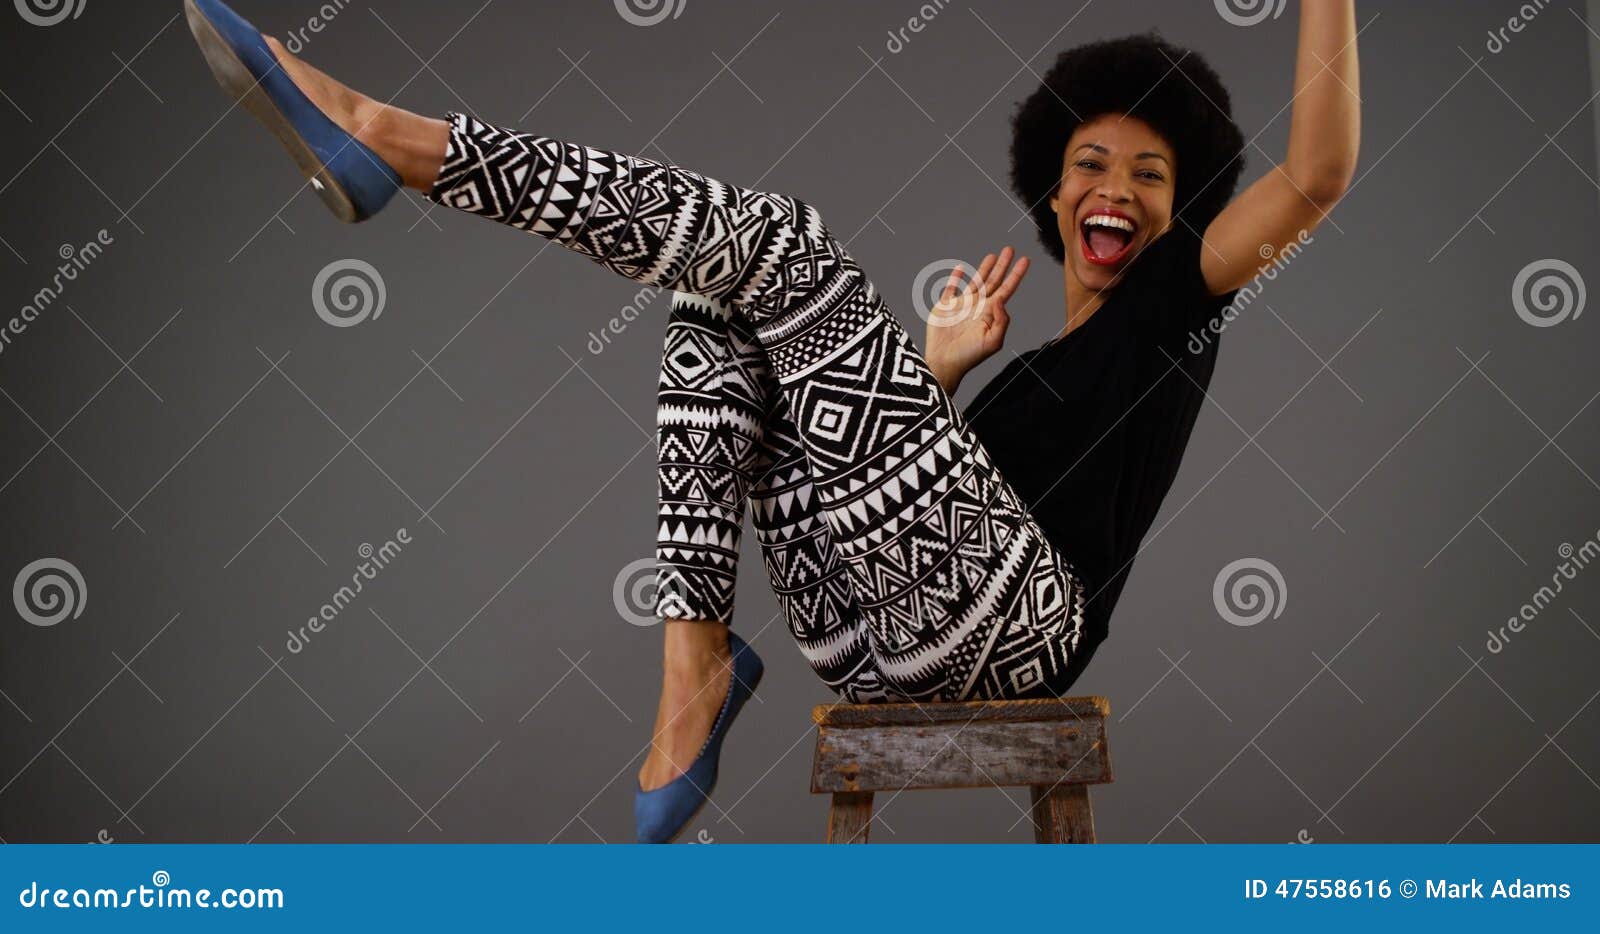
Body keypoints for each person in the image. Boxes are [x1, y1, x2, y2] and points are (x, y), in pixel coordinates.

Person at [183, 0, 1358, 842]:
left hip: (1021, 632)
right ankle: (696, 658)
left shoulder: (1174, 303)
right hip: (868, 640)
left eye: (1151, 175)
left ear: (1187, 206)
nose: (1115, 189)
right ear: (1050, 196)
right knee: (713, 306)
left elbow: (1314, 175)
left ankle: (396, 139)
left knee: (779, 245)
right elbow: (892, 513)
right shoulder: (1022, 376)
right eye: (1089, 164)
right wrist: (937, 372)